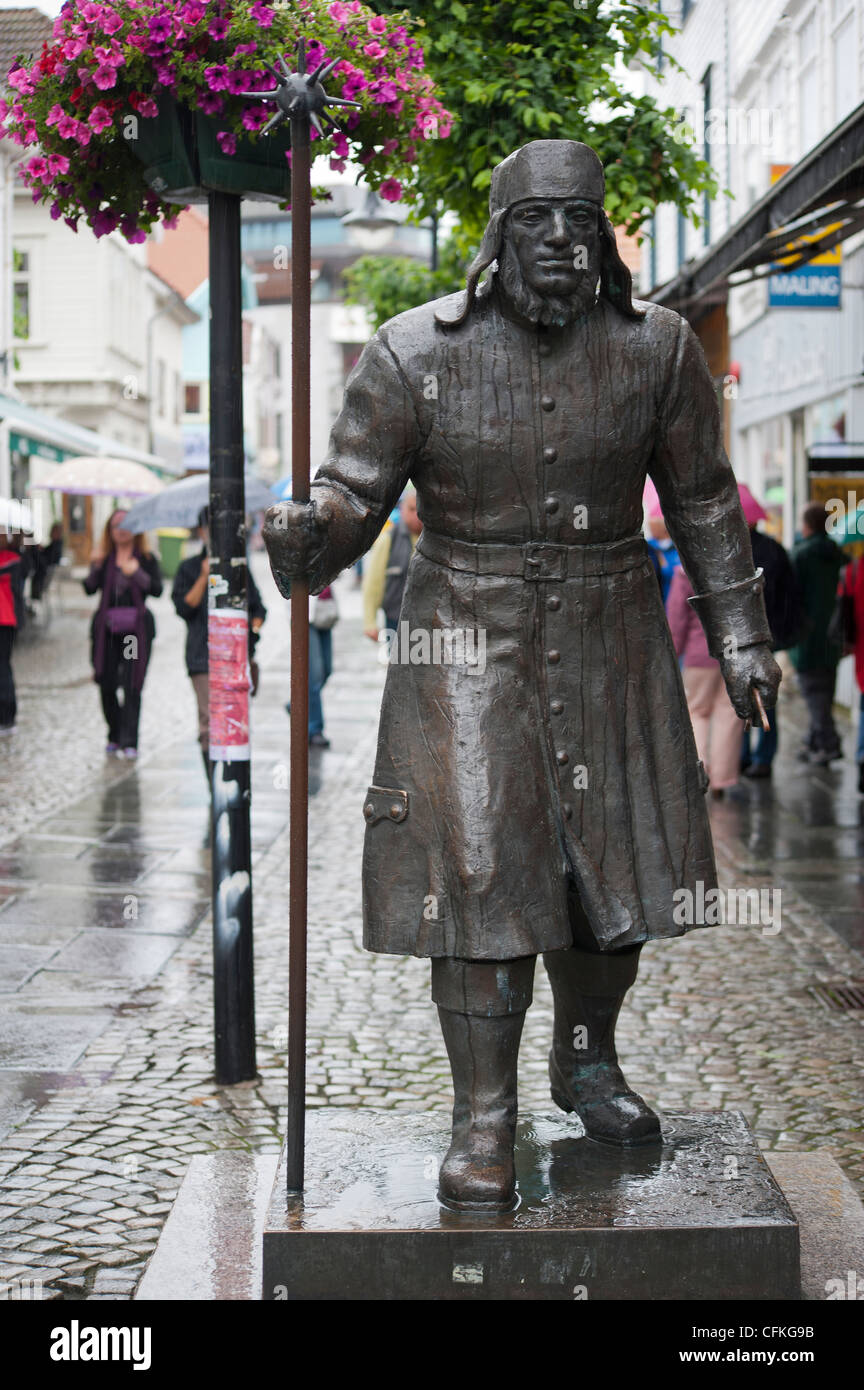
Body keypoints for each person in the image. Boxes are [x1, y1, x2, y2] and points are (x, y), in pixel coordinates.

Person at [262, 139, 779, 1212]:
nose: (559, 242)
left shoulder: (662, 349)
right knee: (485, 875)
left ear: (603, 240)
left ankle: (585, 1060)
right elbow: (354, 491)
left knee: (613, 879)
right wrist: (313, 530)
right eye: (537, 223)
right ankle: (484, 1114)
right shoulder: (412, 352)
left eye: (579, 224)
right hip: (466, 632)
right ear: (497, 239)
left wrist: (742, 632)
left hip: (615, 632)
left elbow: (706, 500)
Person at [172, 507, 266, 775]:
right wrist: (204, 575)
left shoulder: (238, 568)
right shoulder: (189, 568)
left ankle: (232, 777)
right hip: (202, 656)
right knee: (209, 722)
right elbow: (184, 608)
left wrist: (253, 632)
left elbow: (258, 609)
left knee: (235, 719)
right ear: (201, 532)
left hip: (236, 656)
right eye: (208, 528)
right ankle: (215, 784)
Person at [83, 508, 163, 758]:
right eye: (116, 525)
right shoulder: (104, 558)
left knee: (131, 684)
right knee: (106, 682)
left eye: (126, 524)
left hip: (133, 634)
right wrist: (95, 565)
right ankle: (114, 734)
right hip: (106, 632)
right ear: (109, 530)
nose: (121, 529)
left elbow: (157, 589)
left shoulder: (147, 558)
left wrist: (135, 573)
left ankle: (130, 740)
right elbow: (89, 588)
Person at [739, 484, 803, 779]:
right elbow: (792, 596)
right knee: (768, 696)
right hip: (770, 635)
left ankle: (741, 755)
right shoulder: (775, 549)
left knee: (740, 695)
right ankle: (764, 758)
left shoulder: (734, 553)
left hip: (740, 636)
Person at [667, 564, 742, 798]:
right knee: (728, 715)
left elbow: (677, 618)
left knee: (697, 712)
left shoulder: (686, 572)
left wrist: (673, 652)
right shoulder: (736, 570)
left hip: (699, 654)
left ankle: (701, 774)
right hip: (735, 654)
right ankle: (721, 779)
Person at [789, 503, 845, 765]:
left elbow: (791, 598)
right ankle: (813, 740)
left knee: (813, 692)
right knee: (825, 690)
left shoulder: (800, 555)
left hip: (807, 636)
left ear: (807, 525)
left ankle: (828, 743)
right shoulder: (840, 556)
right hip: (836, 635)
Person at [362, 487, 423, 640]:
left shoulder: (435, 541)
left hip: (428, 622)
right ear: (402, 509)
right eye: (411, 509)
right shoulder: (388, 539)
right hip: (395, 619)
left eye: (420, 509)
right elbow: (373, 582)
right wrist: (370, 621)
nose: (416, 515)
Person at [0, 530, 23, 733]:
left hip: (4, 618)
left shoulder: (11, 560)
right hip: (6, 618)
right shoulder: (13, 559)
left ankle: (7, 716)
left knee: (3, 668)